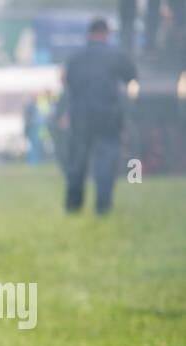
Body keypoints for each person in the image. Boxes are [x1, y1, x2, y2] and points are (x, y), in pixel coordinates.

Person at [62, 17, 136, 214]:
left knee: (77, 162)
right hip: (108, 117)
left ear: (89, 34)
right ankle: (102, 206)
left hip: (81, 117)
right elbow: (131, 75)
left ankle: (73, 205)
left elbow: (67, 82)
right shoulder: (115, 54)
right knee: (106, 162)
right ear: (106, 34)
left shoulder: (75, 57)